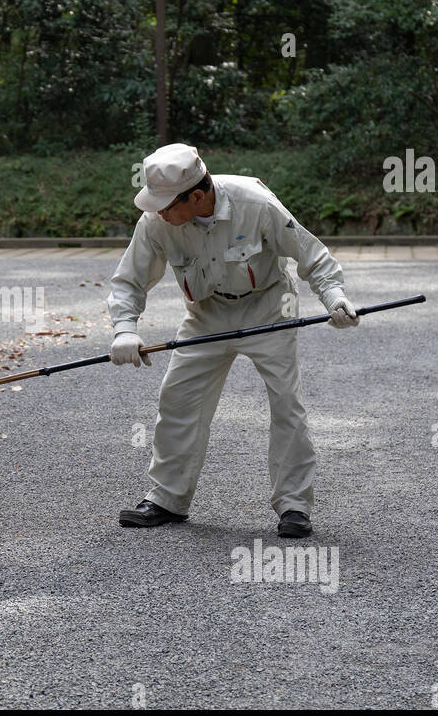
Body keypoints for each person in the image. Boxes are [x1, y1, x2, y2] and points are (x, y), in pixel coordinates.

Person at [107, 143, 359, 537]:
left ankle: (294, 506)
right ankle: (168, 498)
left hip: (269, 307)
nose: (158, 211)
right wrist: (125, 328)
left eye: (166, 204)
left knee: (285, 402)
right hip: (206, 314)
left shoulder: (254, 203)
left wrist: (334, 297)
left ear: (196, 195)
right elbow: (130, 279)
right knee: (177, 399)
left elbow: (309, 253)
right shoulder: (156, 222)